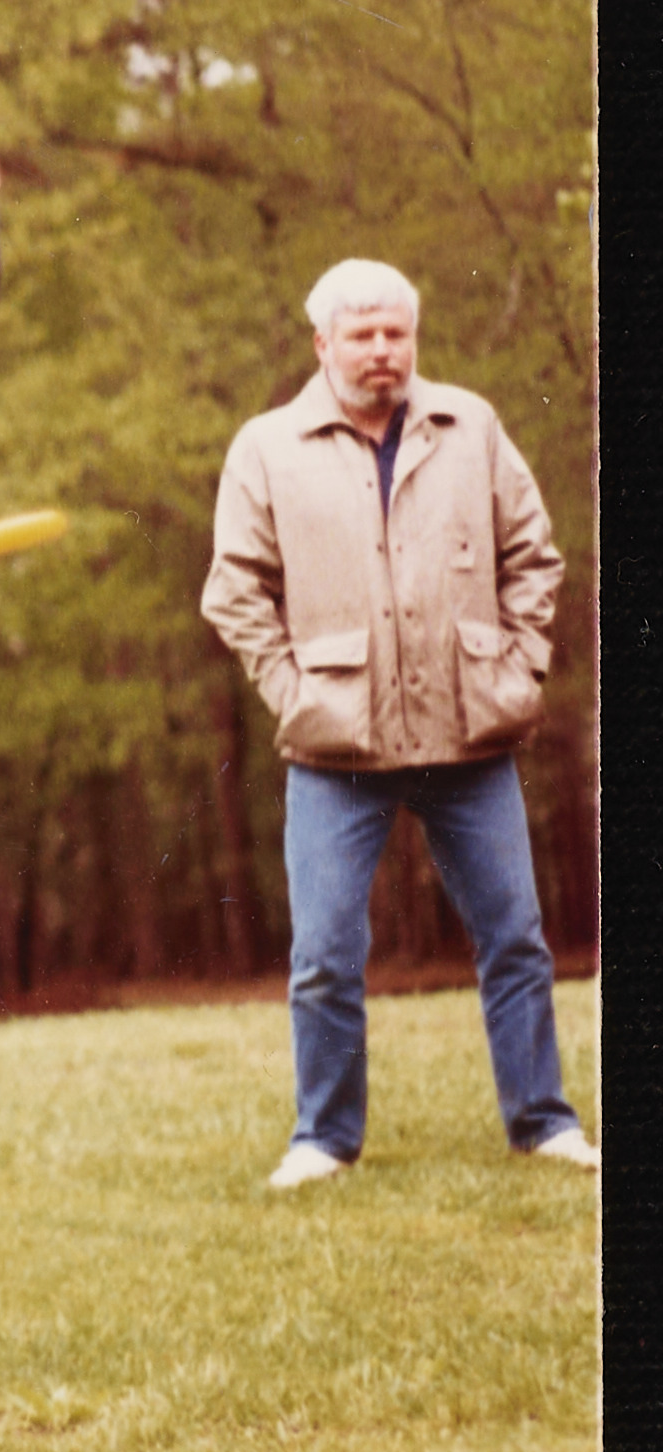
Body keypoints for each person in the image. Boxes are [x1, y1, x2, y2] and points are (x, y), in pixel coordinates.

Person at [202, 258, 597, 1190]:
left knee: (516, 940)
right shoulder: (267, 446)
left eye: (396, 333)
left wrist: (515, 668)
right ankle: (324, 1140)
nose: (382, 350)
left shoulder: (472, 426)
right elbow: (235, 591)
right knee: (325, 956)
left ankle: (543, 1123)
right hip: (336, 747)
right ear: (323, 344)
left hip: (470, 736)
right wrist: (293, 691)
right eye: (362, 335)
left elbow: (533, 557)